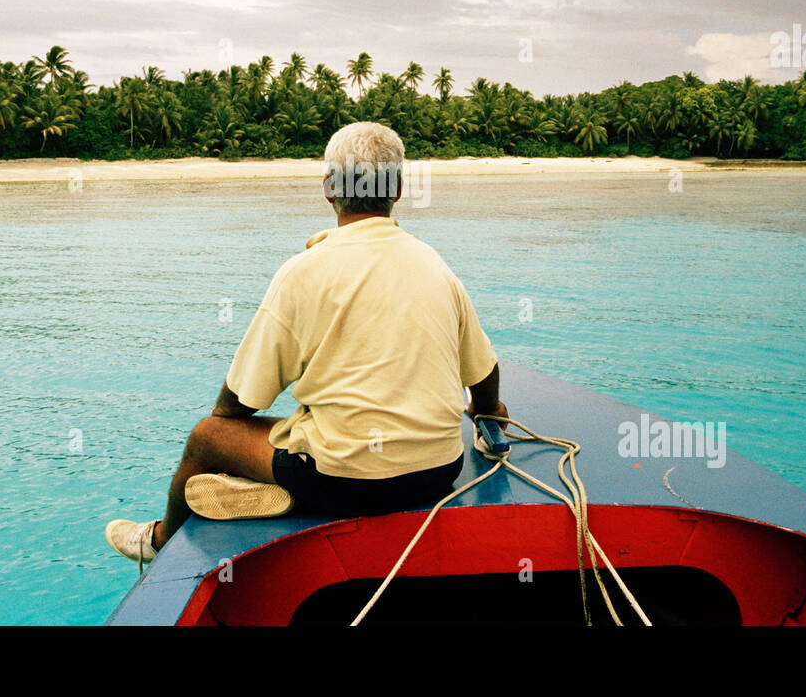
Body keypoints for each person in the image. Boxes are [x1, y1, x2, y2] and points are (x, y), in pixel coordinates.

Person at [106, 121, 506, 565]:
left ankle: (159, 542)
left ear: (328, 188)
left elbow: (242, 400)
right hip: (437, 472)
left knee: (207, 437)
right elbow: (485, 374)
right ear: (396, 188)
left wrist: (226, 434)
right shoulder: (435, 264)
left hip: (346, 481)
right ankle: (285, 487)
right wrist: (488, 411)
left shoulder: (303, 272)